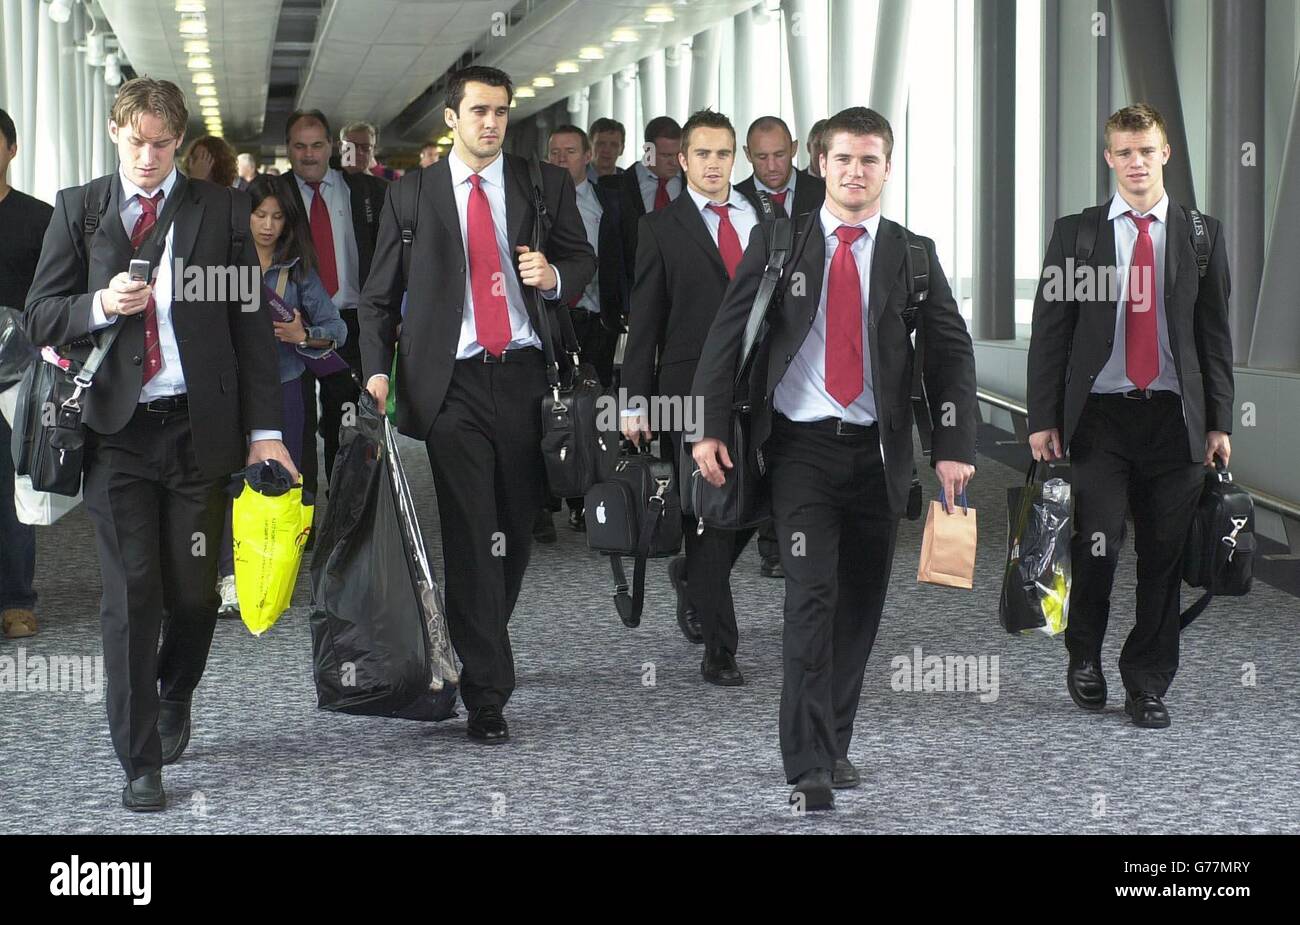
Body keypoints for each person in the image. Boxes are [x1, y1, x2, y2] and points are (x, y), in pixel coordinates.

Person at [692, 106, 977, 810]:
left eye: (870, 159)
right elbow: (726, 337)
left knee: (858, 607)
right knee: (810, 598)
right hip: (800, 450)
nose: (856, 171)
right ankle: (809, 759)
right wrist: (705, 427)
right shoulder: (780, 240)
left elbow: (952, 355)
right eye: (844, 158)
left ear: (886, 167)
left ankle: (836, 739)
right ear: (821, 164)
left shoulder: (912, 254)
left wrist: (953, 448)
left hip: (879, 454)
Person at [23, 77, 291, 811]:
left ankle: (177, 688)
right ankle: (139, 759)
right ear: (116, 133)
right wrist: (100, 304)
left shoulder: (220, 210)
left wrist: (266, 433)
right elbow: (41, 316)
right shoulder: (80, 210)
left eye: (162, 144)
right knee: (132, 593)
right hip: (116, 435)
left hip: (198, 431)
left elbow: (249, 328)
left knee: (197, 593)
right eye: (136, 141)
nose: (147, 157)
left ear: (180, 144)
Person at [358, 66, 595, 744]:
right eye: (479, 111)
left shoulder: (541, 185)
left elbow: (583, 262)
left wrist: (553, 276)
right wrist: (377, 371)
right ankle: (488, 694)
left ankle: (478, 632)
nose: (491, 122)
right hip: (450, 383)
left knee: (515, 533)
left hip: (525, 376)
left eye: (501, 111)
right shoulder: (413, 196)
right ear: (452, 120)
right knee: (471, 528)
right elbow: (377, 298)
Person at [1027, 103, 1234, 730]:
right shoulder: (1079, 235)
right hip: (1102, 420)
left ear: (1165, 154)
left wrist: (1220, 421)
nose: (1136, 162)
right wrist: (1043, 416)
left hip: (1176, 421)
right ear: (1109, 158)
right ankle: (1083, 652)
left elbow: (1214, 336)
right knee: (1098, 547)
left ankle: (1147, 682)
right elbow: (1051, 332)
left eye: (1146, 150)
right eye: (1124, 151)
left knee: (1164, 557)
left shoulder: (1201, 237)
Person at [621, 108, 766, 682]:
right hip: (688, 395)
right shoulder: (661, 229)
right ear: (681, 161)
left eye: (723, 154)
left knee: (760, 506)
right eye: (702, 154)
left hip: (763, 392)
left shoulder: (765, 220)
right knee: (707, 519)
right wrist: (634, 401)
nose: (714, 164)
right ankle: (720, 649)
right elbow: (645, 323)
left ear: (736, 158)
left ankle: (694, 579)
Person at [216, 175, 348, 615]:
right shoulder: (222, 265)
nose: (268, 225)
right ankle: (229, 575)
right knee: (228, 480)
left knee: (281, 479)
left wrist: (302, 333)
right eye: (259, 215)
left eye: (277, 216)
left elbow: (338, 329)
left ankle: (274, 568)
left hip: (286, 385)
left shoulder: (298, 269)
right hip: (229, 387)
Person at [735, 115, 829, 579]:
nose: (772, 166)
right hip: (752, 338)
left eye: (779, 154)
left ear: (794, 148)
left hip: (807, 337)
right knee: (758, 441)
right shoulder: (735, 199)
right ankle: (762, 530)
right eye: (760, 157)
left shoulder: (821, 191)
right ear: (748, 156)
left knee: (791, 441)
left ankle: (778, 544)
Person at [276, 110, 387, 497]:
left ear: (332, 148)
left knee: (347, 420)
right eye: (299, 146)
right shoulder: (274, 195)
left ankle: (344, 505)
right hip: (289, 325)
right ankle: (300, 507)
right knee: (298, 421)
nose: (309, 155)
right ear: (288, 149)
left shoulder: (366, 191)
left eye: (317, 145)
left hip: (351, 325)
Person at [547, 124, 625, 532]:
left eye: (570, 151)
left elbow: (624, 257)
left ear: (587, 156)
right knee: (546, 410)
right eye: (555, 152)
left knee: (591, 412)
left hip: (597, 318)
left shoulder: (606, 201)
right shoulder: (535, 202)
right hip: (550, 320)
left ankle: (584, 498)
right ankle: (543, 502)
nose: (562, 159)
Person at [0, 107, 51, 641]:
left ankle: (17, 599)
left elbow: (53, 296)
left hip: (18, 379)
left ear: (12, 149)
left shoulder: (38, 219)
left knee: (14, 490)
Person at [587, 116, 626, 181]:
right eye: (601, 144)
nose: (606, 150)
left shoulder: (631, 182)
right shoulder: (574, 178)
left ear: (622, 149)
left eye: (614, 145)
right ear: (589, 146)